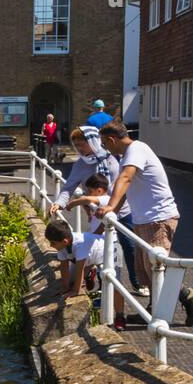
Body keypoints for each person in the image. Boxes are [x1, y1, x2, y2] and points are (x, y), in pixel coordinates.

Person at [95, 119, 193, 326]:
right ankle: (155, 309)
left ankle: (189, 296)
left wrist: (109, 207)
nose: (105, 149)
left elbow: (125, 178)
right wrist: (113, 212)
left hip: (158, 217)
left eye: (105, 144)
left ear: (111, 139)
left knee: (156, 265)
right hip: (144, 218)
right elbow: (126, 188)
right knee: (145, 269)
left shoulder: (137, 149)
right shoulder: (128, 155)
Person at [49, 125, 144, 295]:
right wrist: (59, 203)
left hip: (122, 211)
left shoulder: (113, 158)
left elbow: (121, 184)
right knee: (104, 251)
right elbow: (68, 186)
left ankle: (137, 283)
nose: (79, 149)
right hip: (99, 215)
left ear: (93, 142)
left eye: (82, 144)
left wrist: (111, 205)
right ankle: (103, 288)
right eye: (76, 145)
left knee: (130, 247)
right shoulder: (80, 165)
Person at [44, 218, 126, 329]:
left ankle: (120, 316)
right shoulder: (62, 245)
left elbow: (79, 269)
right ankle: (90, 271)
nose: (50, 245)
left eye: (52, 243)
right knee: (72, 282)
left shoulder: (80, 244)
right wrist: (65, 288)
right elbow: (64, 268)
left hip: (111, 249)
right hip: (88, 257)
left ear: (65, 241)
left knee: (115, 285)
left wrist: (75, 291)